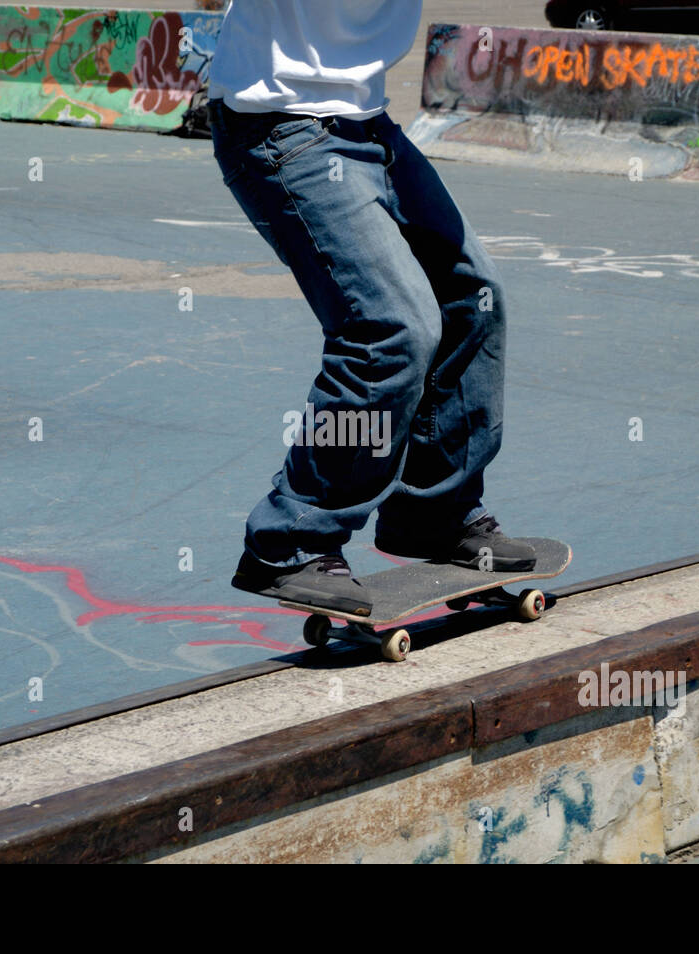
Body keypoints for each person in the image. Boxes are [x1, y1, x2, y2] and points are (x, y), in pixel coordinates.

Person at [207, 0, 535, 617]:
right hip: (279, 123)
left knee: (473, 297)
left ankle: (432, 513)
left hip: (367, 123)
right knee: (390, 328)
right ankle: (290, 541)